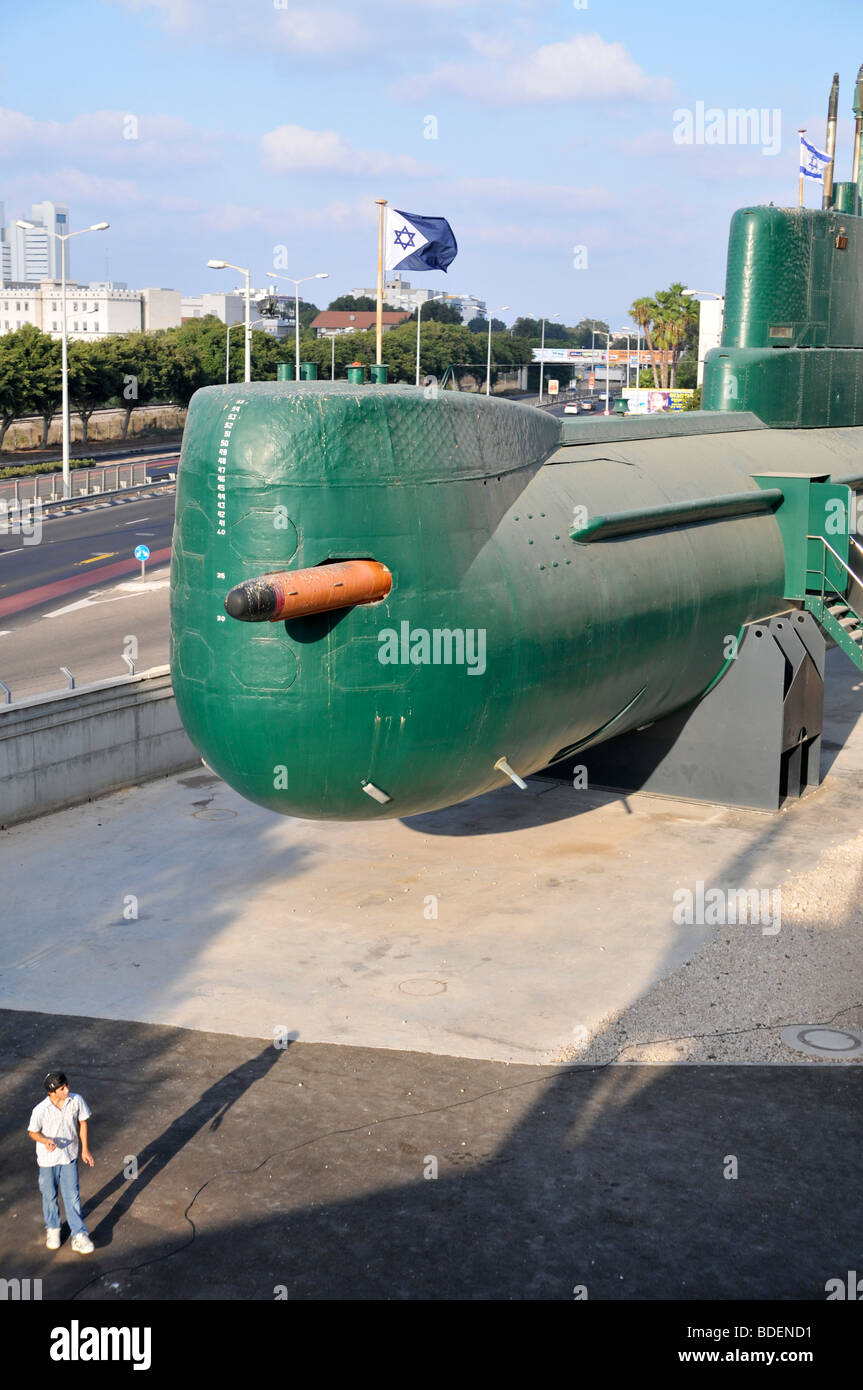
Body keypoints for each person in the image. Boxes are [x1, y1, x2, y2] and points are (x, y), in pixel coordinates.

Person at [27, 1071, 95, 1253]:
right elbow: (32, 1132)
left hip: (69, 1157)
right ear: (52, 1092)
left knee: (72, 1196)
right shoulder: (40, 1110)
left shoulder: (76, 1100)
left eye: (66, 1086)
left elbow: (83, 1123)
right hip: (47, 1161)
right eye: (62, 1088)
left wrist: (85, 1149)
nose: (67, 1090)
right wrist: (44, 1140)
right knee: (49, 1196)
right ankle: (53, 1229)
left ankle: (78, 1235)